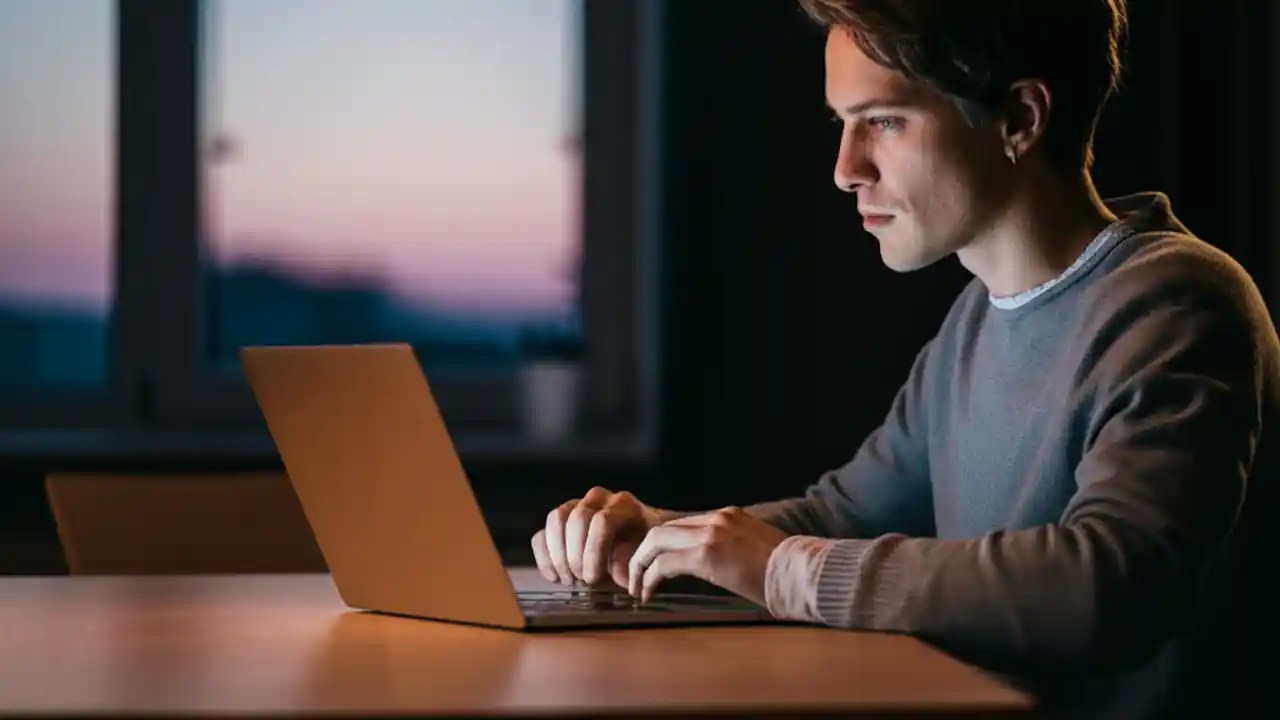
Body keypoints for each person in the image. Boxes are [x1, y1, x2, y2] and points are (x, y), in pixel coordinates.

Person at [530, 1, 1279, 717]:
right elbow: (841, 517)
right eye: (842, 124)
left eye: (884, 122)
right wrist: (664, 541)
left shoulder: (1179, 303)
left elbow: (1109, 586)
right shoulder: (974, 323)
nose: (846, 168)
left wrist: (782, 570)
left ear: (1019, 118)